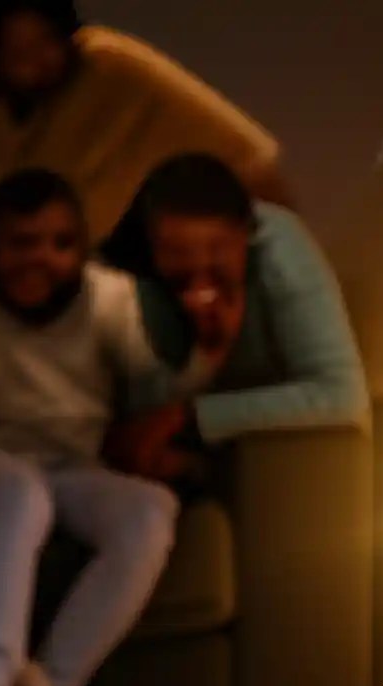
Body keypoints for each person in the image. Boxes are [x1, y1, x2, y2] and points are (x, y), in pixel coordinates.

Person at [0, 168, 219, 686]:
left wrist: (203, 351)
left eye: (62, 244)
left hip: (74, 464)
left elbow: (158, 387)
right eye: (22, 244)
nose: (42, 259)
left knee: (150, 510)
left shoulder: (108, 300)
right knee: (24, 497)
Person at [0, 0, 286, 248]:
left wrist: (290, 262)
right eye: (22, 55)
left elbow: (250, 159)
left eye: (50, 42)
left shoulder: (105, 65)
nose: (47, 62)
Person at [103, 153, 368, 480]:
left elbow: (341, 395)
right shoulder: (124, 277)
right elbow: (132, 420)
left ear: (247, 234)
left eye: (216, 259)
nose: (200, 292)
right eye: (180, 266)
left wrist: (190, 416)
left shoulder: (279, 252)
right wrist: (208, 356)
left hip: (268, 454)